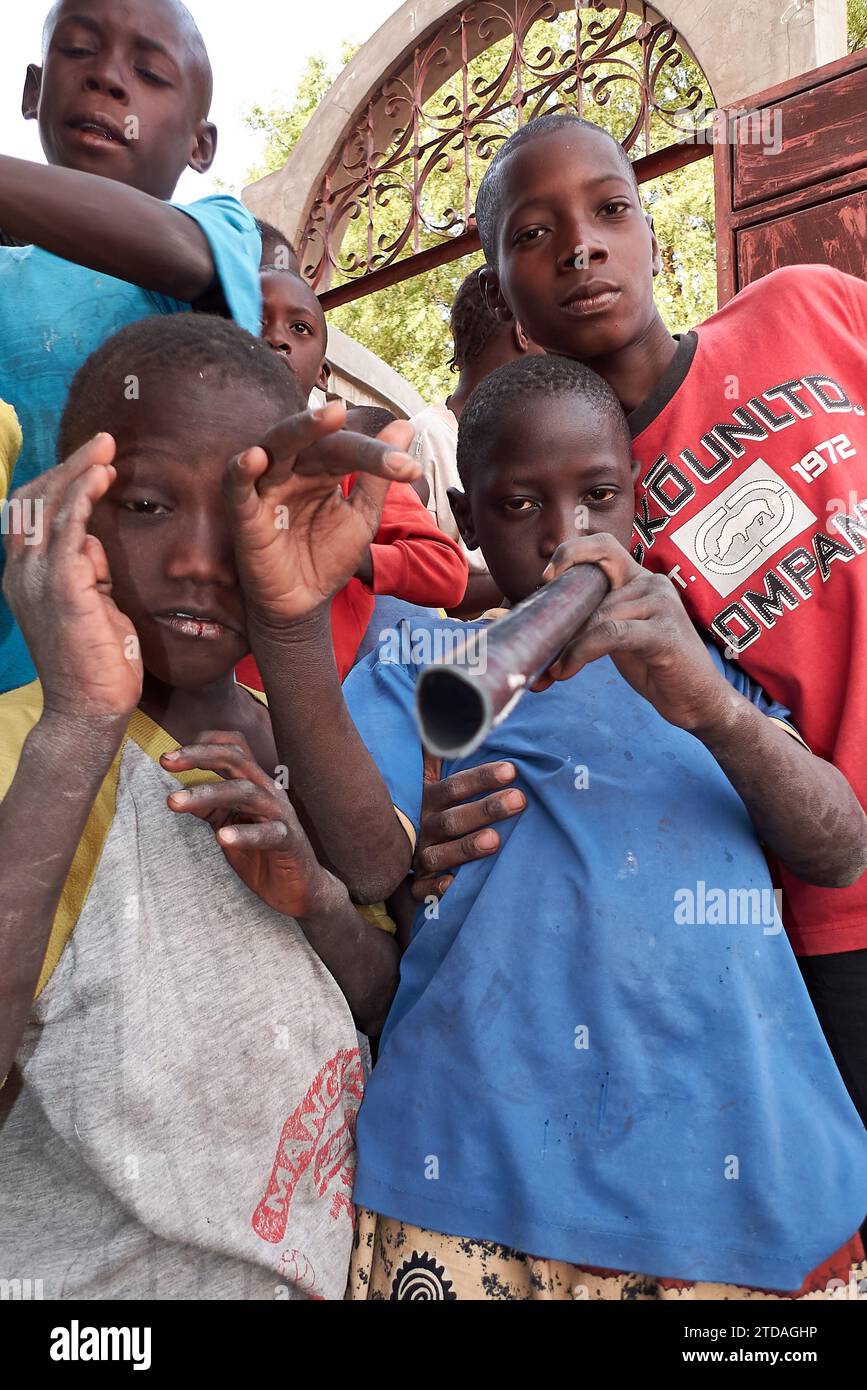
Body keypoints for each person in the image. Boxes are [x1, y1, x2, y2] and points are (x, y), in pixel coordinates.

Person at [244, 351, 867, 1299]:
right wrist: (289, 627)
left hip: (741, 1192)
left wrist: (713, 710)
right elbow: (368, 864)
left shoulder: (705, 656)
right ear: (470, 519)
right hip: (473, 1189)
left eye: (599, 495)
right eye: (518, 504)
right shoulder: (424, 661)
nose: (564, 534)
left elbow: (838, 851)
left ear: (637, 508)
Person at [0, 312, 424, 1299]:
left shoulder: (299, 741)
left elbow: (383, 968)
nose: (201, 556)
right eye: (147, 504)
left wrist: (315, 898)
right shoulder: (32, 745)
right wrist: (78, 727)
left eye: (239, 512)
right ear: (72, 515)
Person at [471, 111, 867, 1131]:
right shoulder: (586, 515)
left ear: (658, 237)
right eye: (533, 232)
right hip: (837, 900)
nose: (581, 245)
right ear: (509, 305)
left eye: (610, 209)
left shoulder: (808, 306)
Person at [0, 0, 263, 693]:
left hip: (153, 673)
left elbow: (181, 256)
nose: (108, 81)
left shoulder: (212, 228)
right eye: (79, 51)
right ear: (31, 91)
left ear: (200, 146)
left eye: (148, 71)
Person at [237, 267, 468, 685]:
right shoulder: (189, 449)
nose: (275, 337)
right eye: (254, 319)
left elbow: (447, 574)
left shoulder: (348, 466)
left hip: (299, 714)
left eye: (300, 327)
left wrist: (352, 556)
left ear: (323, 373)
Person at [409, 266, 543, 617]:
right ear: (523, 331)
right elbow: (419, 586)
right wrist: (542, 580)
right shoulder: (430, 436)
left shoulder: (535, 445)